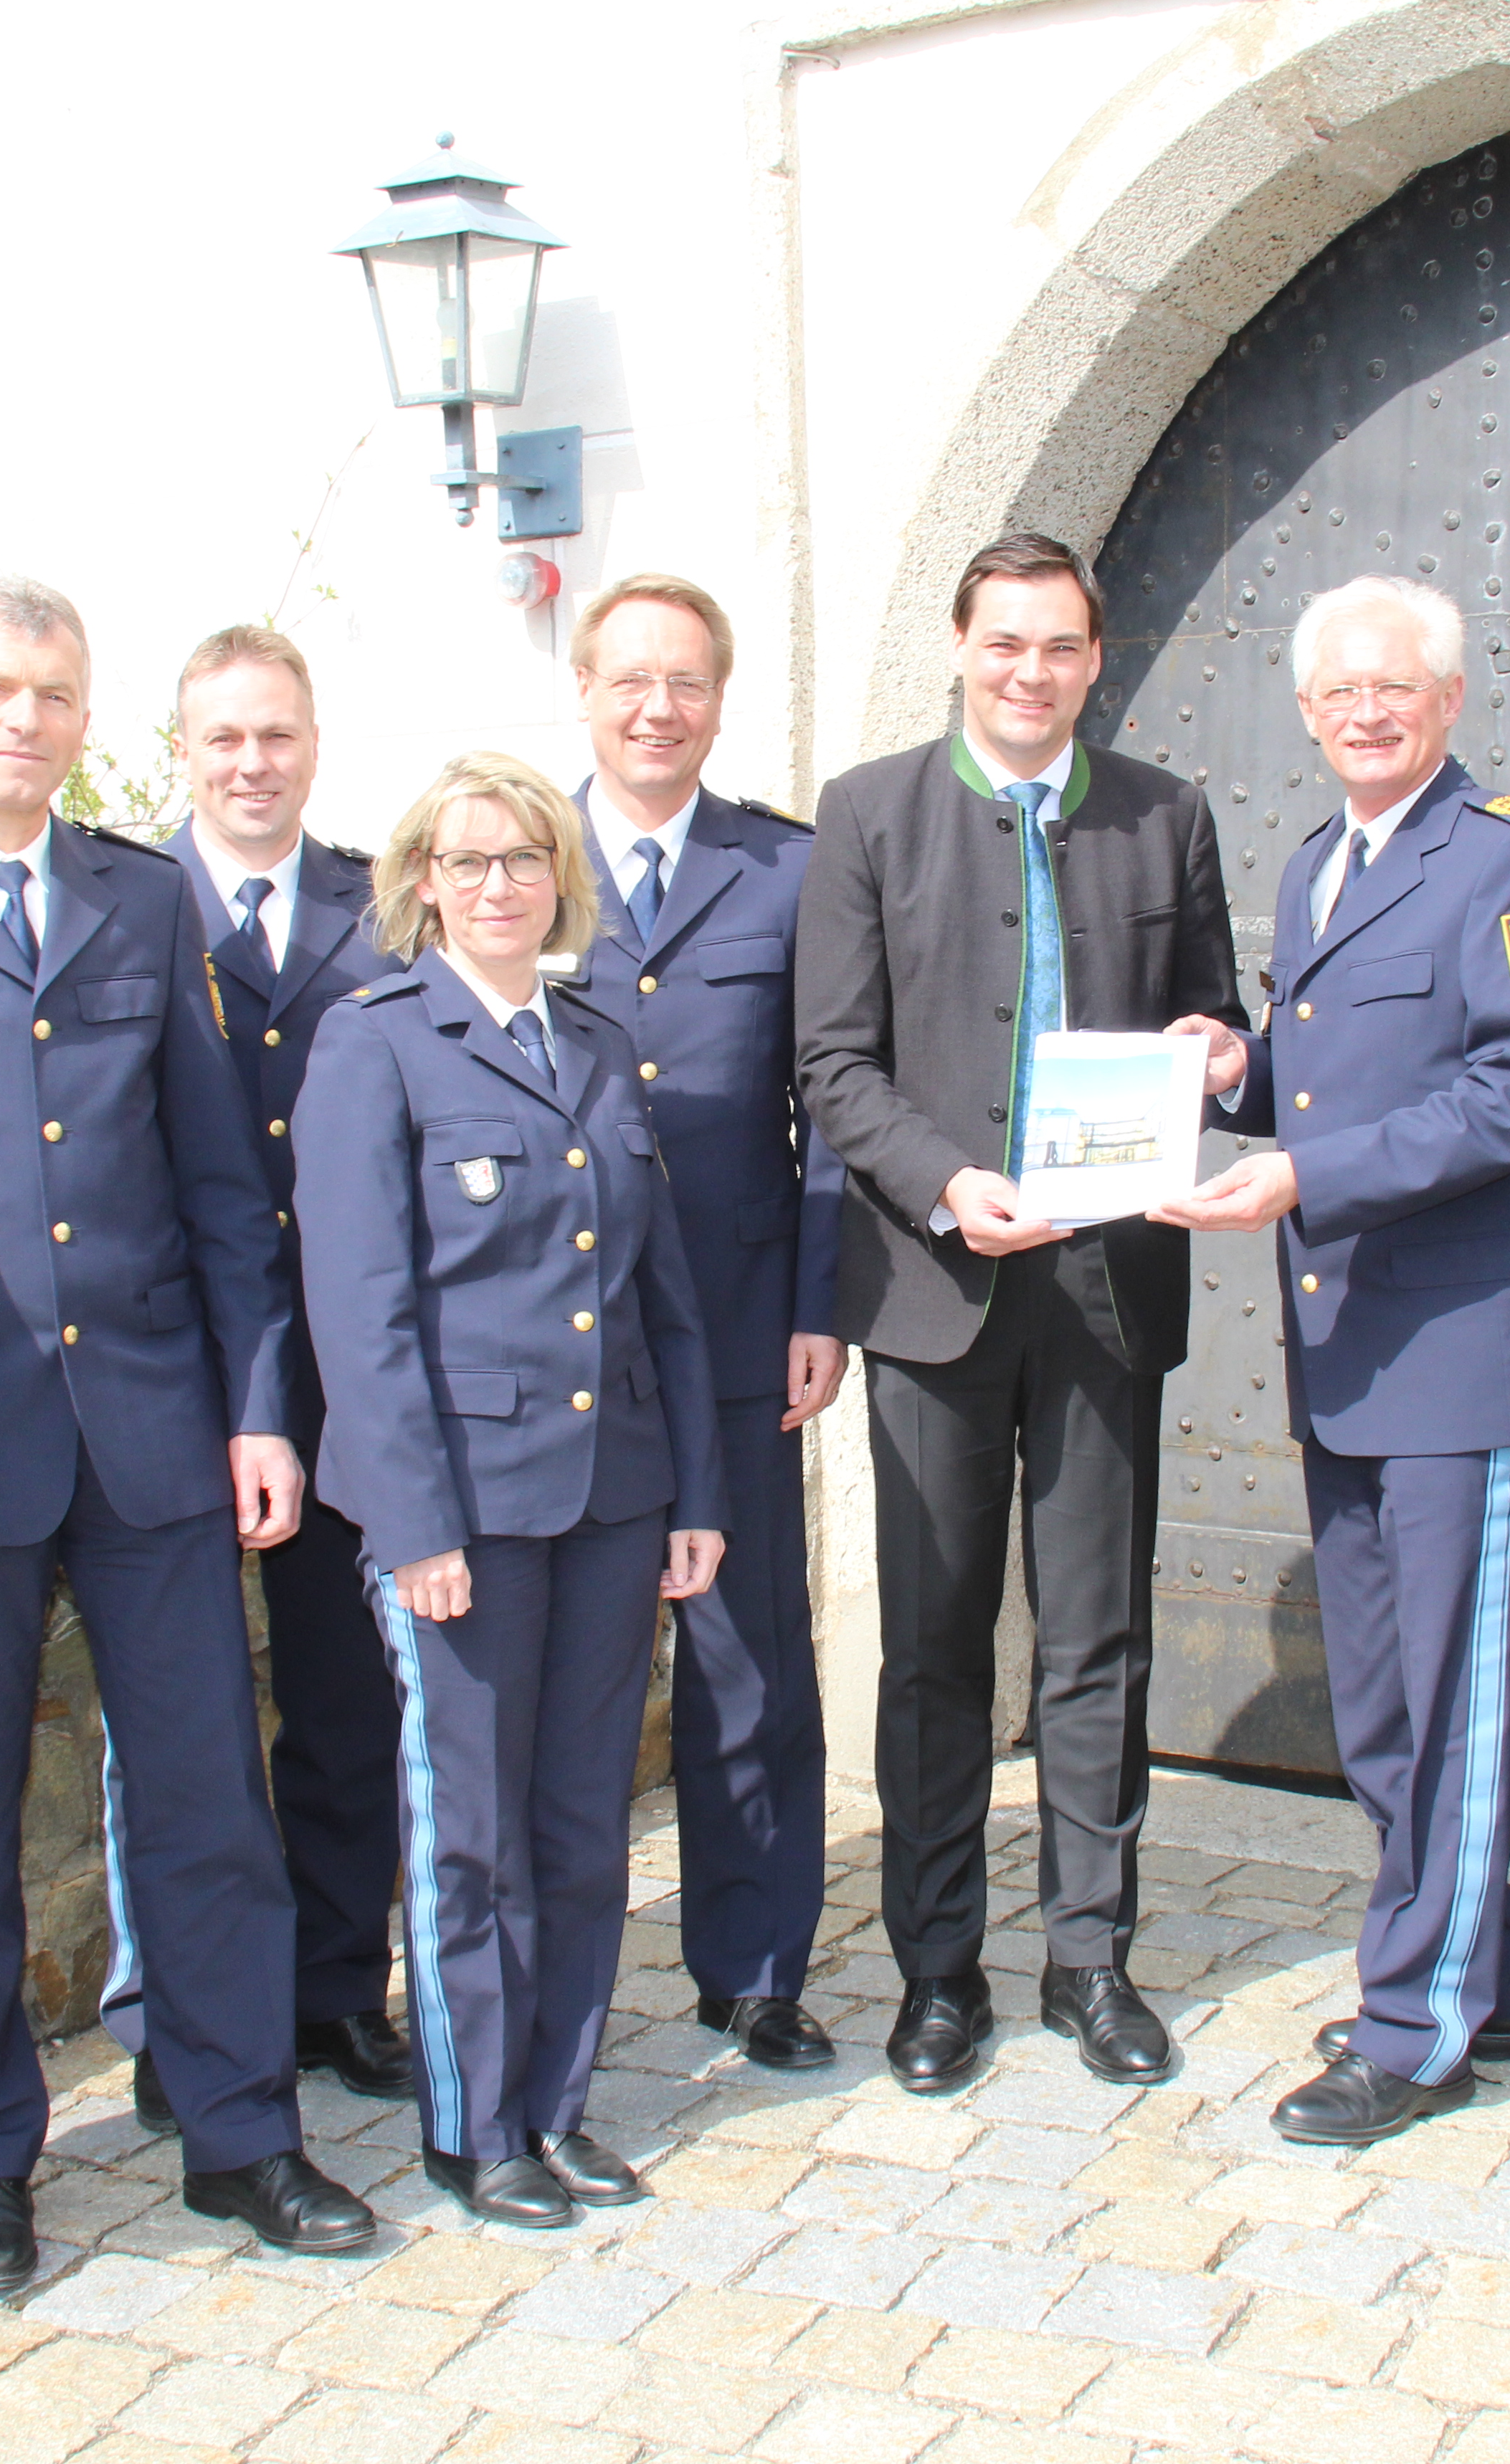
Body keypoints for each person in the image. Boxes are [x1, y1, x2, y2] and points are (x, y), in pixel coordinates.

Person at [0, 577, 375, 2285]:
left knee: (207, 1805)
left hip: (154, 1431)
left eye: (51, 694)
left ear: (83, 717)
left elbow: (210, 1184)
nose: (22, 720)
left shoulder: (136, 895)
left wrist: (259, 1410)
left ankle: (243, 2133)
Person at [797, 531, 1245, 2095]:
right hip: (935, 1285)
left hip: (1106, 1286)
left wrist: (1222, 1055)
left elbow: (1218, 1015)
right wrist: (943, 1182)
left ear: (1094, 659)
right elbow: (834, 1066)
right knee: (929, 1647)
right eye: (1006, 645)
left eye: (1059, 648)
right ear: (963, 648)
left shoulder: (1163, 815)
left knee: (1096, 1637)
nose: (1031, 672)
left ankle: (1090, 1959)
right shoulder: (869, 816)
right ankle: (937, 1976)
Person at [1154, 577, 1510, 2142]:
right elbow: (1351, 1081)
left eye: (1393, 688)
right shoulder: (1319, 863)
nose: (1364, 711)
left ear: (1452, 700)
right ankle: (1495, 1968)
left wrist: (1299, 1177)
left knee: (1453, 1703)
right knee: (1389, 1711)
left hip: (1465, 1361)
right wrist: (1245, 1069)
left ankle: (1415, 2030)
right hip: (1347, 1357)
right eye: (1337, 691)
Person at [294, 751, 728, 2227]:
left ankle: (559, 2100)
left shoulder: (599, 1046)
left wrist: (695, 1496)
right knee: (468, 1829)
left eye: (525, 861)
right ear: (424, 882)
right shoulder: (376, 1046)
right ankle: (475, 2128)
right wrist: (409, 1526)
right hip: (463, 1514)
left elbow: (661, 1296)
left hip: (611, 1495)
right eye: (470, 863)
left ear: (560, 881)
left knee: (580, 1822)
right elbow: (361, 1312)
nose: (498, 885)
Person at [131, 624, 417, 2106]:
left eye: (278, 737)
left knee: (343, 1697)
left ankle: (330, 1993)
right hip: (157, 1367)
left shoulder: (382, 910)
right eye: (223, 738)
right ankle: (170, 2011)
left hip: (335, 1356)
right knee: (166, 1720)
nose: (252, 764)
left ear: (314, 744)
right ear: (181, 747)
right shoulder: (122, 904)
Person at [564, 572, 847, 2073]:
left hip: (741, 1332)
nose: (657, 707)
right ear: (586, 692)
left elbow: (834, 1110)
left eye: (685, 682)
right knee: (577, 1680)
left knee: (752, 1664)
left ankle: (755, 1966)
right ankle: (562, 1975)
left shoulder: (786, 873)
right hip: (564, 1347)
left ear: (720, 701)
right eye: (629, 680)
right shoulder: (516, 864)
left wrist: (820, 1304)